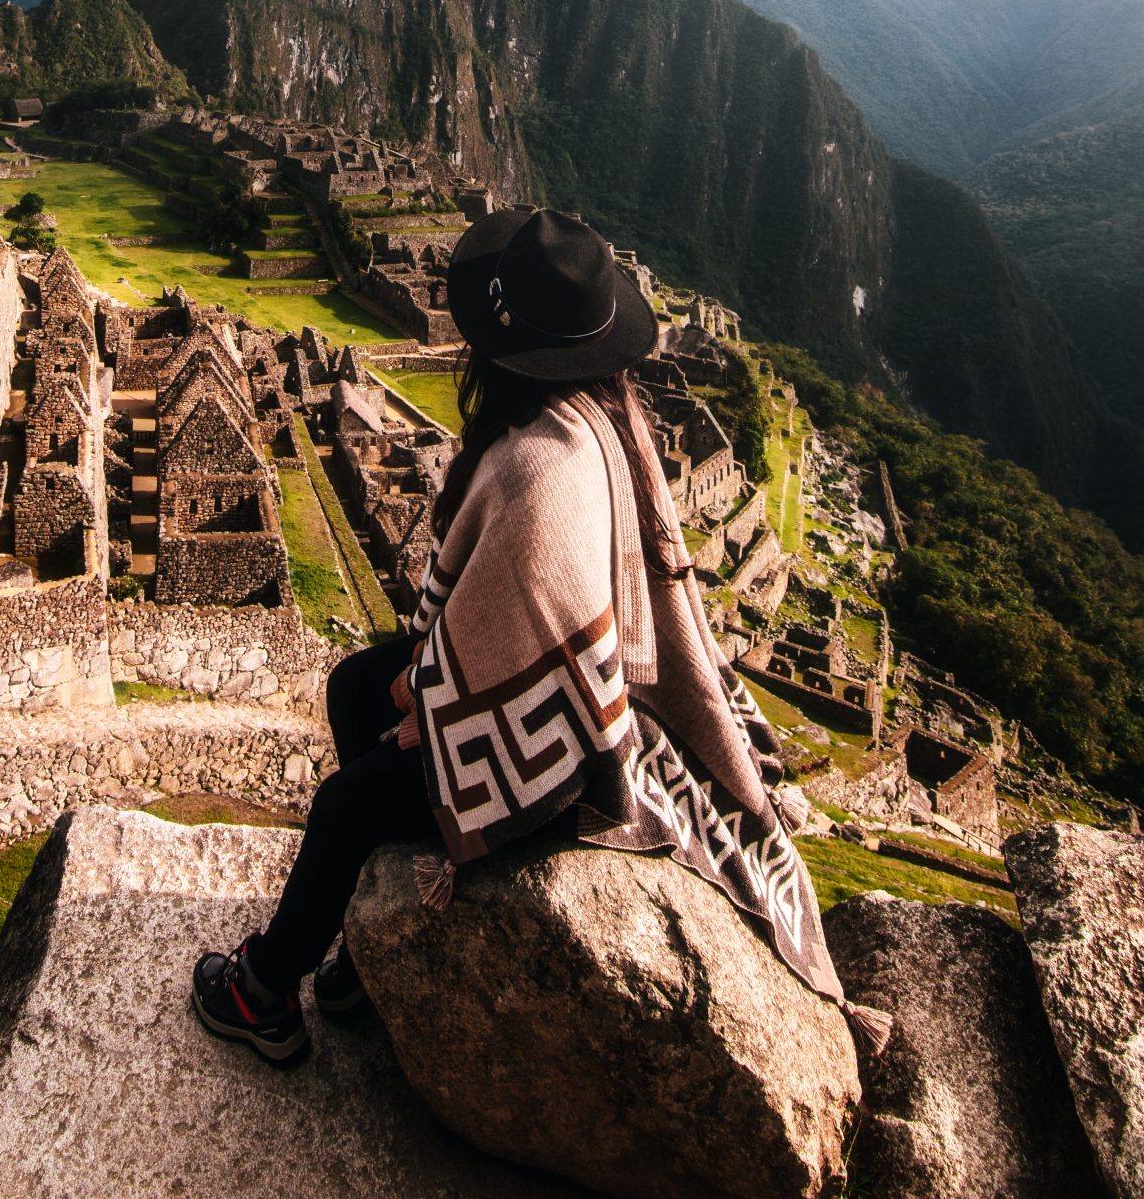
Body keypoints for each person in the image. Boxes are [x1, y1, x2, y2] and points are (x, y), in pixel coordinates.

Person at [191, 207, 886, 1066]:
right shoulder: (607, 417)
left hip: (567, 755)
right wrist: (424, 685)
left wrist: (430, 700)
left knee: (346, 803)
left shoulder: (534, 469)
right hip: (578, 699)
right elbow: (497, 624)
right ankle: (371, 949)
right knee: (350, 688)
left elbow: (500, 638)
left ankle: (261, 992)